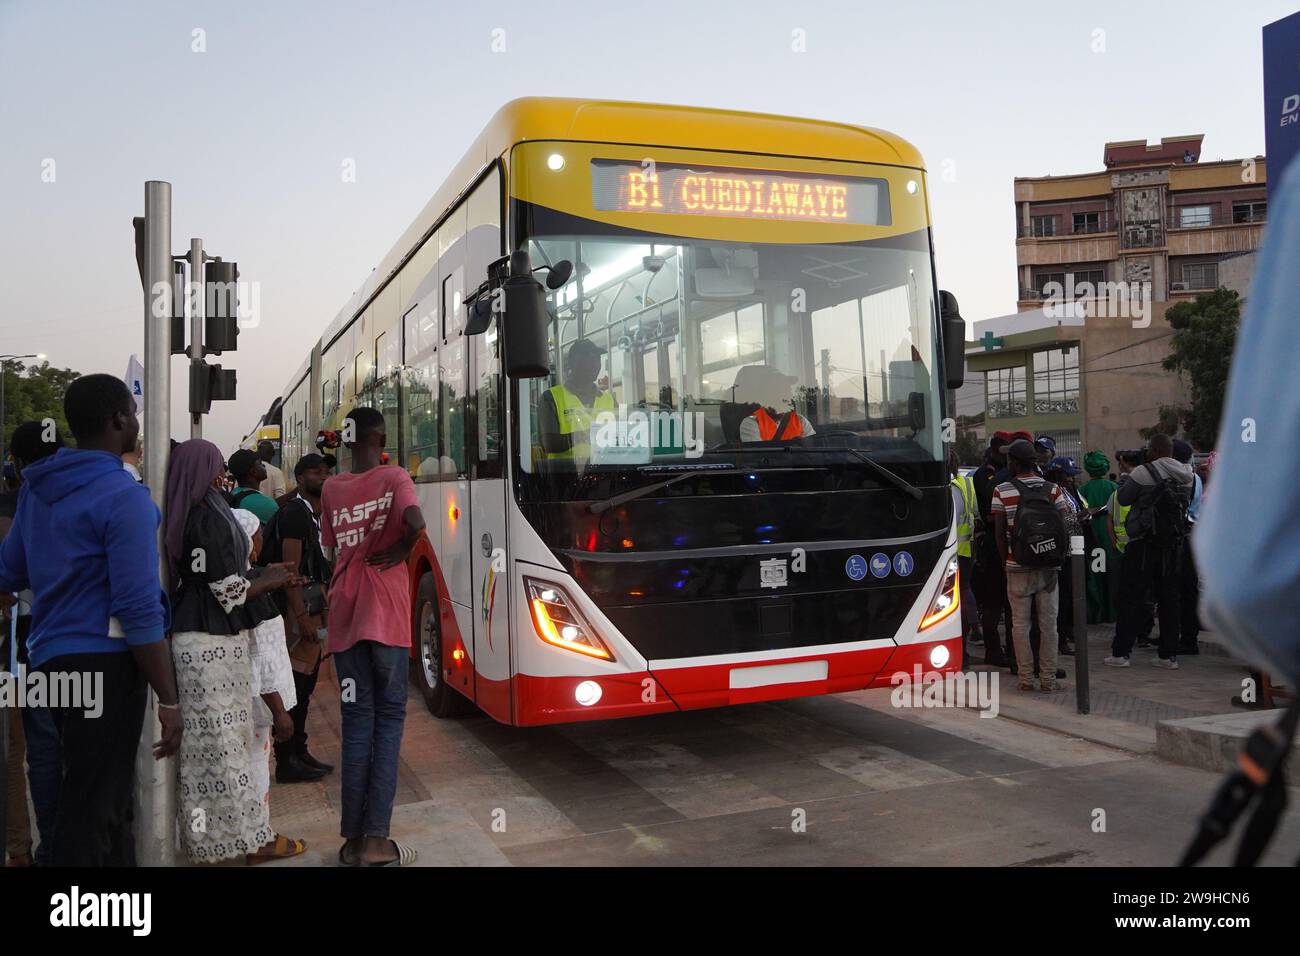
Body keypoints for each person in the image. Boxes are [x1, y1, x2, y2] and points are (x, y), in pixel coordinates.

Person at [0, 375, 181, 866]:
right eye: (134, 415)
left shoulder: (37, 493)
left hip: (46, 664)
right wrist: (169, 698)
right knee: (95, 809)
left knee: (93, 799)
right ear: (119, 420)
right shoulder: (125, 499)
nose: (137, 423)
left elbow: (8, 572)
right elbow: (139, 608)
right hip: (105, 667)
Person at [166, 439, 306, 864]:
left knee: (223, 750)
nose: (220, 473)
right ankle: (219, 846)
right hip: (207, 644)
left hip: (212, 641)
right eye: (214, 465)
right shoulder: (205, 515)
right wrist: (269, 581)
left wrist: (266, 574)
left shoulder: (201, 508)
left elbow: (226, 577)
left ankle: (232, 840)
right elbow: (227, 590)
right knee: (217, 754)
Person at [322, 407, 424, 867]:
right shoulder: (395, 476)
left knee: (357, 726)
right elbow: (417, 522)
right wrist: (401, 549)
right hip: (386, 613)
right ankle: (378, 842)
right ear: (380, 436)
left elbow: (332, 547)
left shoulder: (330, 487)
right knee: (389, 724)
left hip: (345, 615)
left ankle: (351, 840)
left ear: (346, 441)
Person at [0, 421, 65, 866]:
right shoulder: (95, 491)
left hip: (26, 644)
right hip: (74, 643)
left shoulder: (20, 501)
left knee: (26, 751)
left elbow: (8, 577)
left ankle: (34, 852)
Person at [264, 453, 334, 783]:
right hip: (296, 609)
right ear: (301, 478)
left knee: (305, 685)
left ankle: (299, 751)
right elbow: (291, 571)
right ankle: (287, 758)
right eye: (316, 472)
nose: (324, 476)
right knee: (295, 683)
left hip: (312, 606)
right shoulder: (294, 514)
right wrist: (302, 617)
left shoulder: (317, 513)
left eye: (326, 471)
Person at [231, 508, 299, 827]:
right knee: (257, 765)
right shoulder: (252, 594)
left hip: (249, 702)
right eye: (258, 533)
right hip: (260, 704)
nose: (262, 539)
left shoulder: (243, 581)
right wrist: (280, 714)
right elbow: (262, 660)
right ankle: (258, 838)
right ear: (247, 542)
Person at [1105, 434, 1193, 669]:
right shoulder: (1187, 475)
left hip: (1142, 542)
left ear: (1154, 450)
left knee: (1131, 596)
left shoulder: (1143, 472)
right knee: (1169, 599)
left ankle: (1121, 654)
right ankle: (1168, 656)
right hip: (1173, 544)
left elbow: (1123, 499)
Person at [991, 439, 1071, 691]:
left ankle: (1026, 678)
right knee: (1049, 625)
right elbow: (1064, 525)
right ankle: (1047, 679)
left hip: (1017, 565)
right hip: (1048, 567)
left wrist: (1006, 561)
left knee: (1020, 624)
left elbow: (999, 531)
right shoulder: (1053, 489)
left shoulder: (1002, 490)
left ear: (1013, 463)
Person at [972, 432, 1012, 666]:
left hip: (995, 541)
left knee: (1002, 603)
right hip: (990, 543)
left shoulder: (996, 474)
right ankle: (994, 651)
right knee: (993, 603)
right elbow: (989, 513)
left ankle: (1003, 651)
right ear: (998, 450)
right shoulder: (986, 475)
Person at [539, 339, 616, 460]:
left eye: (597, 358)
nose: (594, 363)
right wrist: (580, 436)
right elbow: (548, 444)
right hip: (565, 473)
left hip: (604, 472)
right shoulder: (550, 398)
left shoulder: (609, 399)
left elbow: (619, 438)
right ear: (572, 363)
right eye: (587, 357)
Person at [948, 451, 980, 668]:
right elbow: (975, 515)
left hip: (948, 552)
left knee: (953, 597)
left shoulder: (947, 488)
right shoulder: (967, 484)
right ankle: (974, 627)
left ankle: (961, 647)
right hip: (966, 549)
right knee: (965, 591)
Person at [1078, 451, 1117, 623]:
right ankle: (1112, 613)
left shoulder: (1082, 490)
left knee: (1095, 575)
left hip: (1091, 539)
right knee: (1112, 575)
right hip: (1111, 539)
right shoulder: (1114, 488)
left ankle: (1096, 613)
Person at [1172, 439, 1202, 655]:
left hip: (1183, 537)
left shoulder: (1182, 478)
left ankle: (1188, 639)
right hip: (1192, 536)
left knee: (1183, 590)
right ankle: (1184, 635)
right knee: (1186, 589)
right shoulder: (1196, 477)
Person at [735, 365, 817, 442]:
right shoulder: (751, 423)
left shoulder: (800, 420)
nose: (787, 395)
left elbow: (813, 452)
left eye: (788, 390)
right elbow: (759, 455)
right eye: (779, 389)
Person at [226, 448, 279, 524]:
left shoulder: (233, 494)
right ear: (253, 472)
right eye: (260, 463)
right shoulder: (266, 503)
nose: (263, 465)